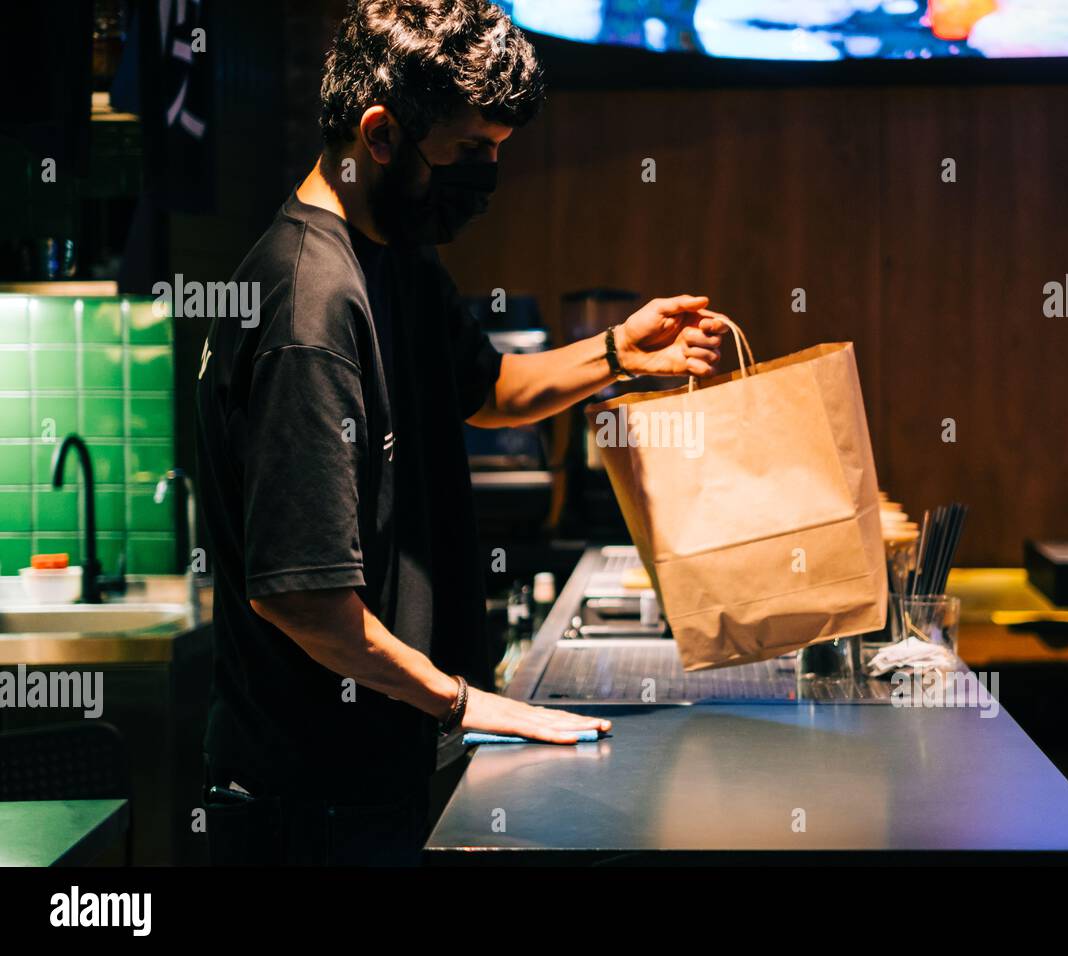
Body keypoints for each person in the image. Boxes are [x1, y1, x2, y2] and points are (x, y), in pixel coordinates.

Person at [194, 0, 730, 865]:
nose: (484, 178)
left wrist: (619, 354)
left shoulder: (393, 247)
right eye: (470, 152)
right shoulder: (309, 305)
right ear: (379, 133)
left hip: (383, 779)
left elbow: (492, 391)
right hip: (312, 810)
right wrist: (461, 702)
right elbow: (304, 600)